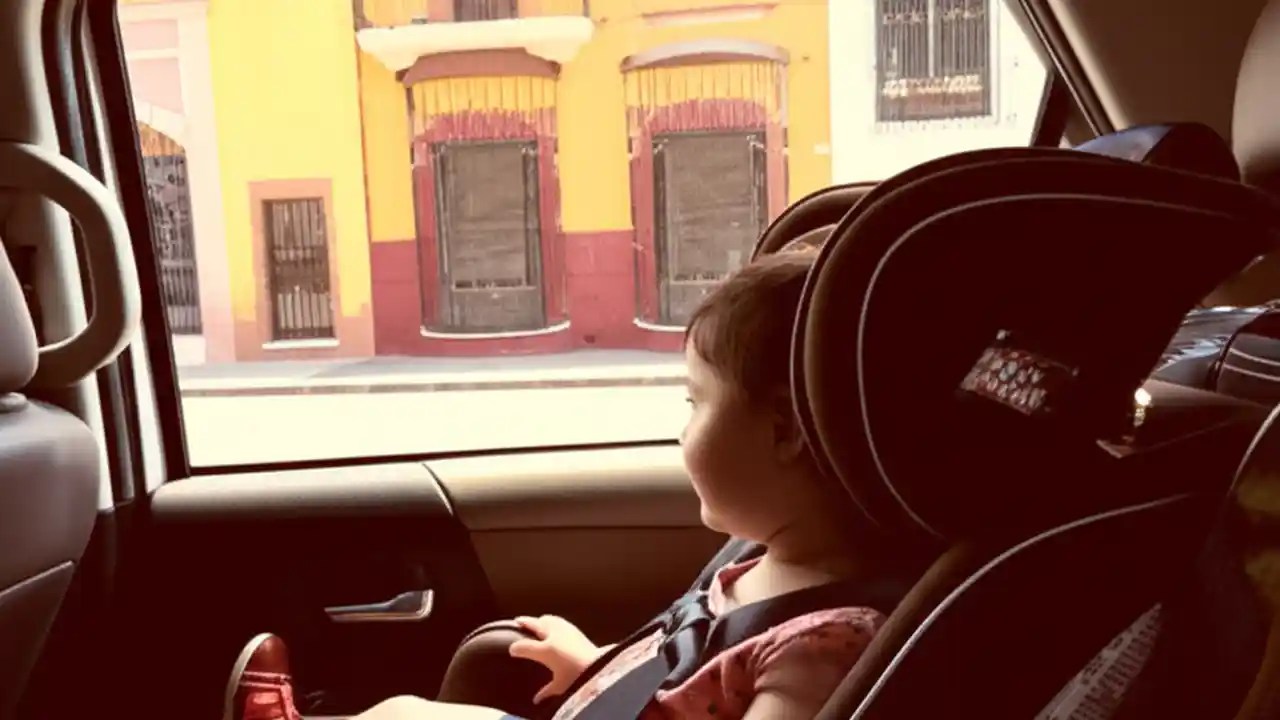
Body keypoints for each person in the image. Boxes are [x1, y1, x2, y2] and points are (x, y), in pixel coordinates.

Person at [223, 247, 901, 720]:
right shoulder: (761, 559)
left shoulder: (825, 645)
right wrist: (600, 669)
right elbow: (689, 672)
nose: (681, 429)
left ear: (784, 433)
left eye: (696, 403)